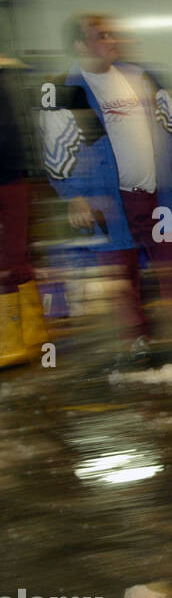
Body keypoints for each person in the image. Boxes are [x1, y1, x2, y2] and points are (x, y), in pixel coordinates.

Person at [39, 13, 172, 367]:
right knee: (122, 270)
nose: (111, 40)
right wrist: (74, 195)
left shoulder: (140, 76)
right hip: (108, 198)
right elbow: (56, 150)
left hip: (155, 191)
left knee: (171, 262)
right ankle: (135, 337)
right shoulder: (65, 90)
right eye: (101, 35)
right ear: (80, 44)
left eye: (111, 34)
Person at [0, 53, 48, 368]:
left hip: (11, 177)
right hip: (15, 176)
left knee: (11, 259)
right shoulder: (7, 80)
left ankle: (13, 342)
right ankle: (28, 336)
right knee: (15, 256)